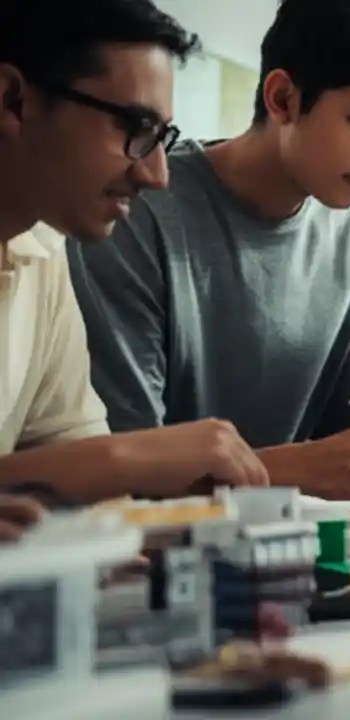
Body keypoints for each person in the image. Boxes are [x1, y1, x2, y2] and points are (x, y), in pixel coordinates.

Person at [67, 0, 350, 501]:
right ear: (283, 98)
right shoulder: (138, 208)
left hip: (288, 544)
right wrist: (288, 469)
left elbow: (335, 450)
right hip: (153, 551)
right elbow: (123, 468)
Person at [0, 0, 268, 505]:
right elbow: (88, 465)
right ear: (13, 101)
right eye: (135, 128)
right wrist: (124, 459)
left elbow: (72, 472)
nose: (157, 175)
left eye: (163, 138)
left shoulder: (44, 252)